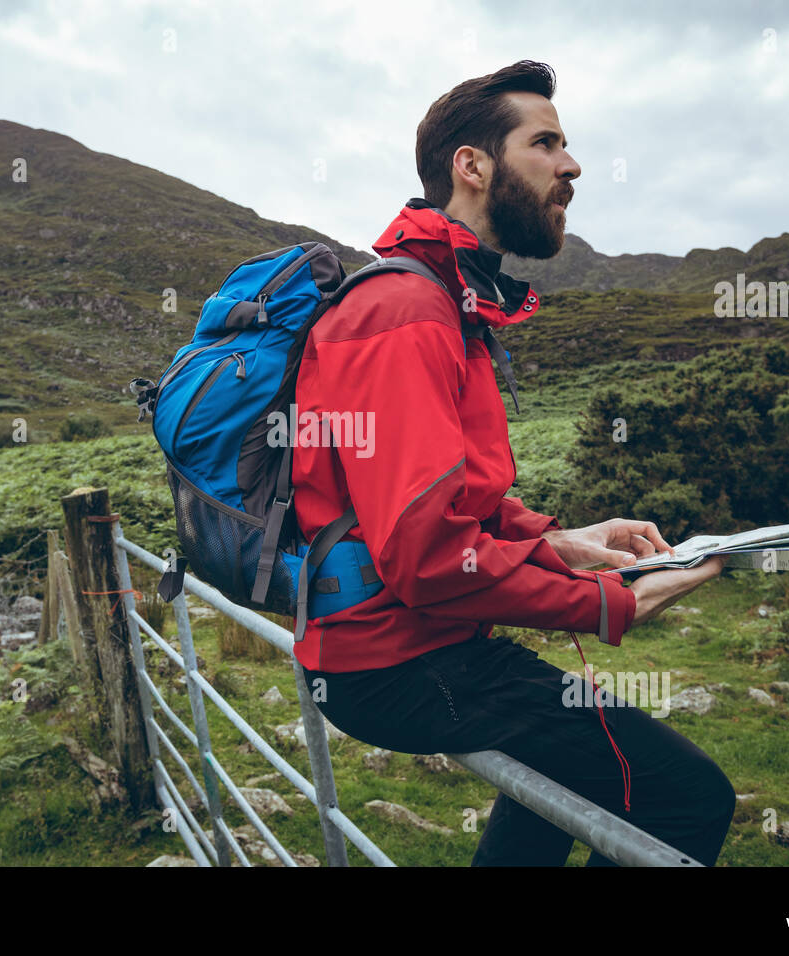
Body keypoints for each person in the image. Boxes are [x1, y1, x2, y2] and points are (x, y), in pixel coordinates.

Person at [290, 60, 735, 866]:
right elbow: (425, 556)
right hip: (398, 659)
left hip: (400, 645)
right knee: (688, 796)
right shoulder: (407, 312)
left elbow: (456, 498)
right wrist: (609, 606)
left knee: (573, 782)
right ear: (473, 165)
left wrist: (560, 542)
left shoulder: (441, 299)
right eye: (547, 143)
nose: (571, 166)